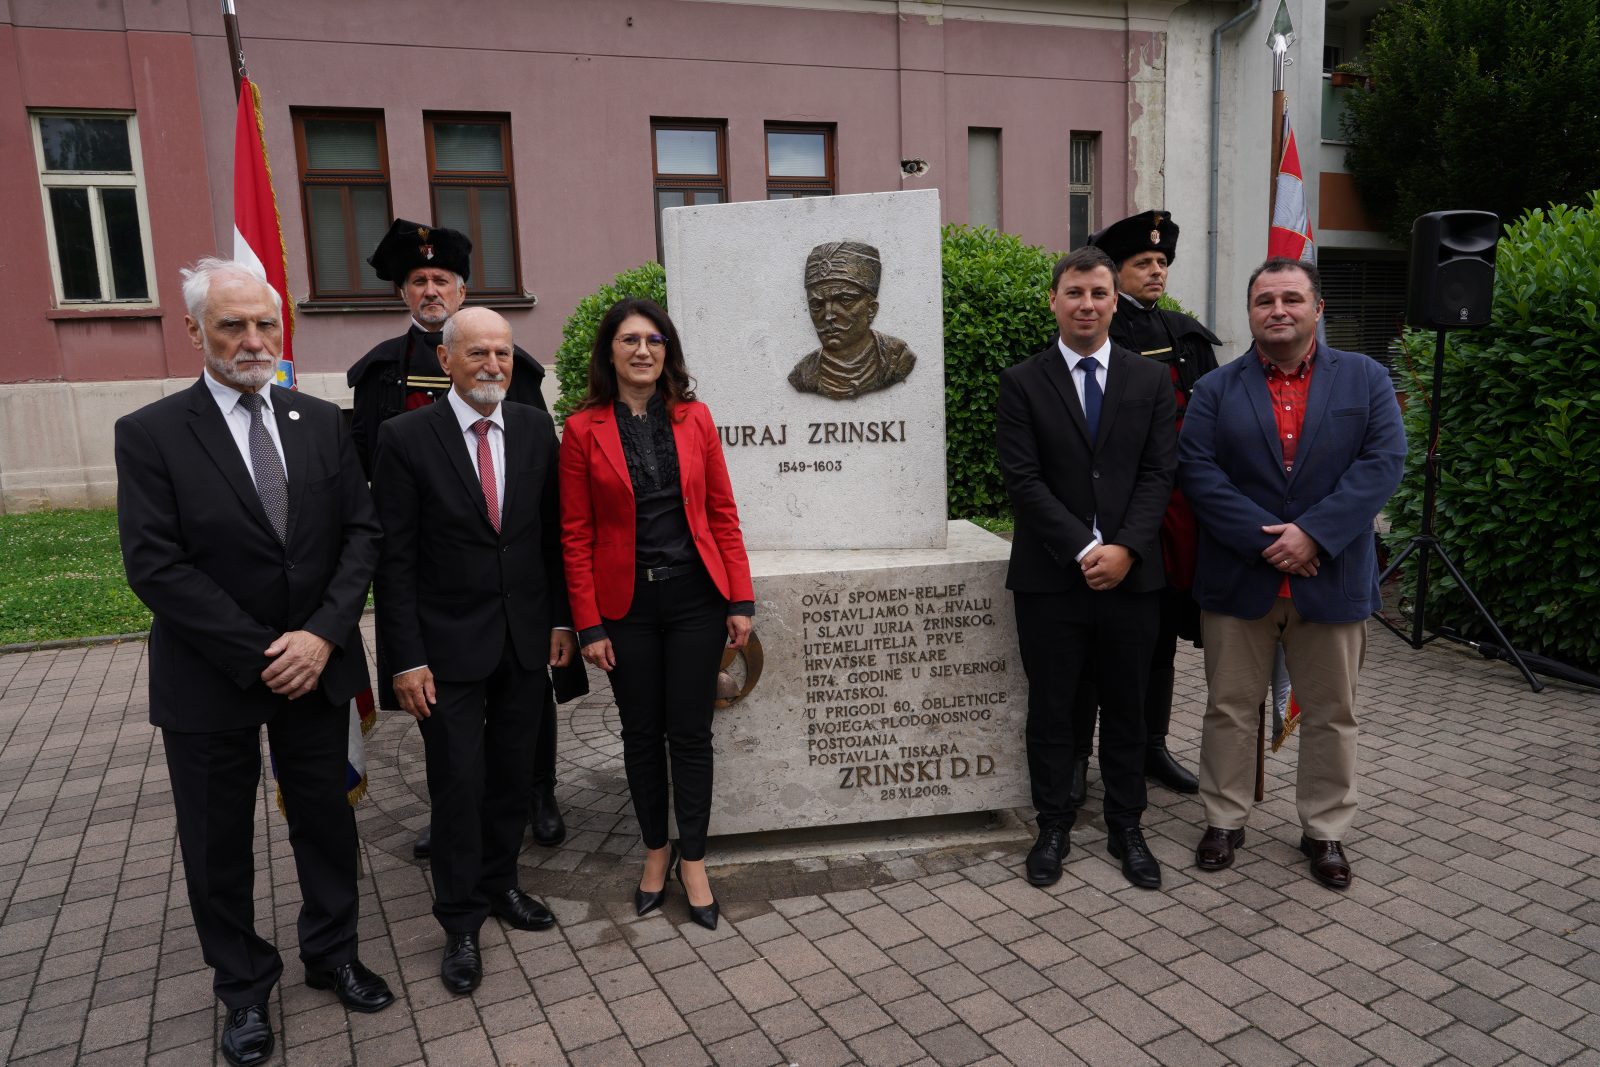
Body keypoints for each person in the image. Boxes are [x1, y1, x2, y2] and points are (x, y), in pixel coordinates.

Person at [115, 258, 393, 1067]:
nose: (252, 340)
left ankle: (332, 952)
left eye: (265, 323)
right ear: (195, 330)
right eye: (232, 324)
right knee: (217, 842)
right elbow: (155, 565)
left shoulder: (322, 420)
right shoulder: (152, 433)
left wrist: (320, 637)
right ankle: (242, 990)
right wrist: (262, 651)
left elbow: (361, 535)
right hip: (211, 677)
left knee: (326, 820)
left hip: (319, 665)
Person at [1178, 257, 1405, 889]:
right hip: (1238, 580)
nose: (1278, 310)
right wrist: (1268, 542)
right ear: (1249, 312)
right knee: (1228, 708)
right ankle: (1225, 818)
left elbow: (1383, 463)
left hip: (1329, 578)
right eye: (1264, 301)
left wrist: (1315, 535)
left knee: (1333, 712)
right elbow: (1196, 470)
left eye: (1291, 299)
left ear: (1317, 308)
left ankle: (1324, 831)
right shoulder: (1216, 389)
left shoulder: (1365, 379)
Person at [348, 218, 572, 855]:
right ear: (403, 294)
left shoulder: (513, 369)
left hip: (515, 594)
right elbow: (372, 470)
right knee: (449, 734)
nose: (429, 290)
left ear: (461, 289)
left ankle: (537, 791)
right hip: (439, 580)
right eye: (417, 281)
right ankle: (457, 812)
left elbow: (539, 484)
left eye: (440, 279)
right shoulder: (378, 373)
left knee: (526, 710)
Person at [370, 307, 576, 993]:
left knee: (514, 776)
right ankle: (460, 921)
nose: (494, 364)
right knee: (458, 784)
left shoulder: (530, 425)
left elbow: (548, 535)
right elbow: (393, 560)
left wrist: (559, 621)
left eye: (505, 353)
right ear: (447, 359)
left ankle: (501, 884)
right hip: (444, 649)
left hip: (523, 640)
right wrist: (403, 658)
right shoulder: (404, 438)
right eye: (480, 352)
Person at [561, 298, 754, 930]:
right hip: (627, 608)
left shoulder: (695, 419)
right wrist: (588, 623)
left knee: (691, 733)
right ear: (609, 352)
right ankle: (655, 850)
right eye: (629, 341)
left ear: (666, 351)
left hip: (698, 598)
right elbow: (575, 533)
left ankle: (693, 858)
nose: (642, 350)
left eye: (654, 340)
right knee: (641, 735)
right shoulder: (582, 428)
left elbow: (722, 512)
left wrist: (740, 598)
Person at [996, 246, 1177, 890]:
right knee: (1054, 707)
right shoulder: (1022, 382)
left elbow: (1160, 474)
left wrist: (1124, 548)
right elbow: (1023, 480)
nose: (1088, 305)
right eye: (1075, 293)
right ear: (1054, 300)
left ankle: (1127, 825)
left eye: (1100, 293)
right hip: (1052, 579)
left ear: (1113, 300)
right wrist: (1082, 548)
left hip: (1133, 579)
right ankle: (1052, 824)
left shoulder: (1150, 381)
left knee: (1128, 708)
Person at [1066, 211, 1223, 802]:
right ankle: (1079, 755)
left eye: (1162, 263)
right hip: (1108, 518)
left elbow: (1212, 427)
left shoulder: (1187, 335)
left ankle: (1151, 746)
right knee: (1090, 644)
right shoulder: (1096, 336)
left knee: (1160, 638)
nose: (1156, 271)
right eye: (1143, 263)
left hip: (1177, 517)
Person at [788, 240, 916, 399]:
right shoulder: (803, 374)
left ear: (871, 309)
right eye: (817, 305)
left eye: (845, 301)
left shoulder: (898, 359)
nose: (828, 316)